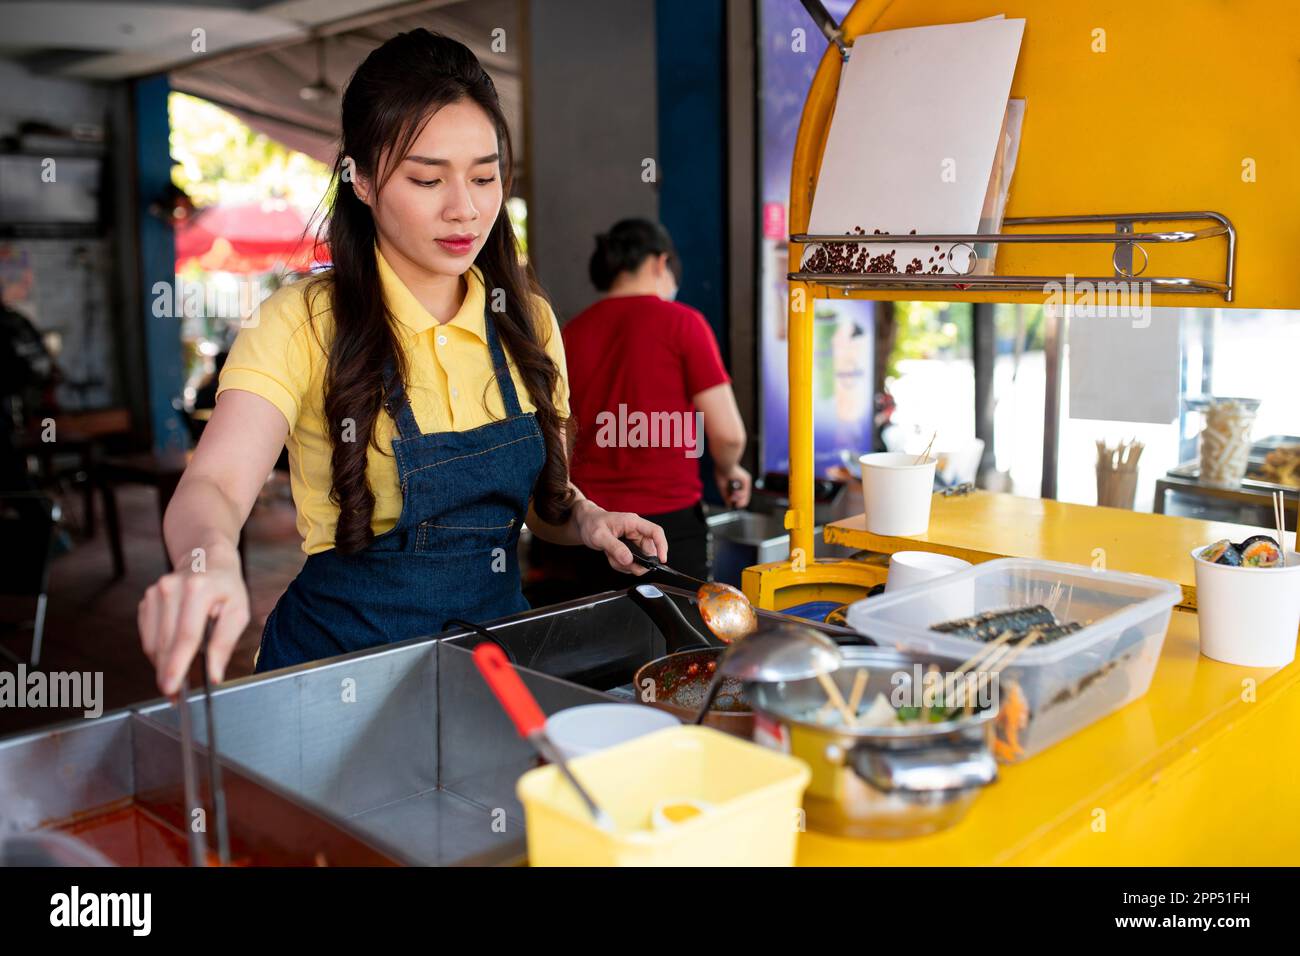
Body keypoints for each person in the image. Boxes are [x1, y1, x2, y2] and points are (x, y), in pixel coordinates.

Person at [137, 31, 667, 695]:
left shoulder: (526, 320)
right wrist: (207, 562)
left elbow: (542, 509)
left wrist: (587, 519)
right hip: (337, 672)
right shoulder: (303, 322)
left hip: (493, 664)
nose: (465, 209)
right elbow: (212, 485)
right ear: (359, 178)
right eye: (426, 178)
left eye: (484, 176)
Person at [545, 218, 749, 594]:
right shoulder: (684, 323)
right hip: (668, 530)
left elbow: (558, 437)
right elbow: (728, 433)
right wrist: (729, 467)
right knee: (676, 644)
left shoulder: (570, 332)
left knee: (598, 645)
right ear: (660, 262)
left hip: (589, 529)